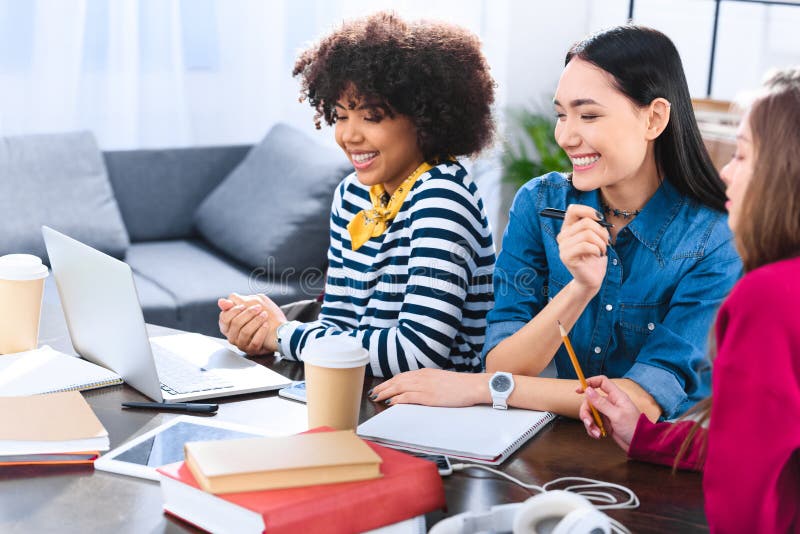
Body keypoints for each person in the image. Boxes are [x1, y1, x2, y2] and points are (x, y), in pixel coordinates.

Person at [370, 25, 741, 420]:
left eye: (589, 115)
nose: (565, 136)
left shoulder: (714, 237)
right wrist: (580, 288)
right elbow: (504, 361)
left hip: (666, 461)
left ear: (654, 119)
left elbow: (644, 401)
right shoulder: (540, 204)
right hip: (559, 448)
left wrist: (478, 387)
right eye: (561, 115)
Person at [577, 67, 800, 533]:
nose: (725, 172)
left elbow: (746, 489)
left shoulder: (769, 296)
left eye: (741, 155)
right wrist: (645, 438)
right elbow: (756, 441)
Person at [216, 12, 496, 376]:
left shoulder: (441, 198)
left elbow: (417, 356)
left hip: (432, 412)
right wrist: (259, 326)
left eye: (372, 116)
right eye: (341, 114)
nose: (349, 135)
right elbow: (338, 326)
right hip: (364, 390)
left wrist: (283, 334)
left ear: (426, 118)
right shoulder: (353, 194)